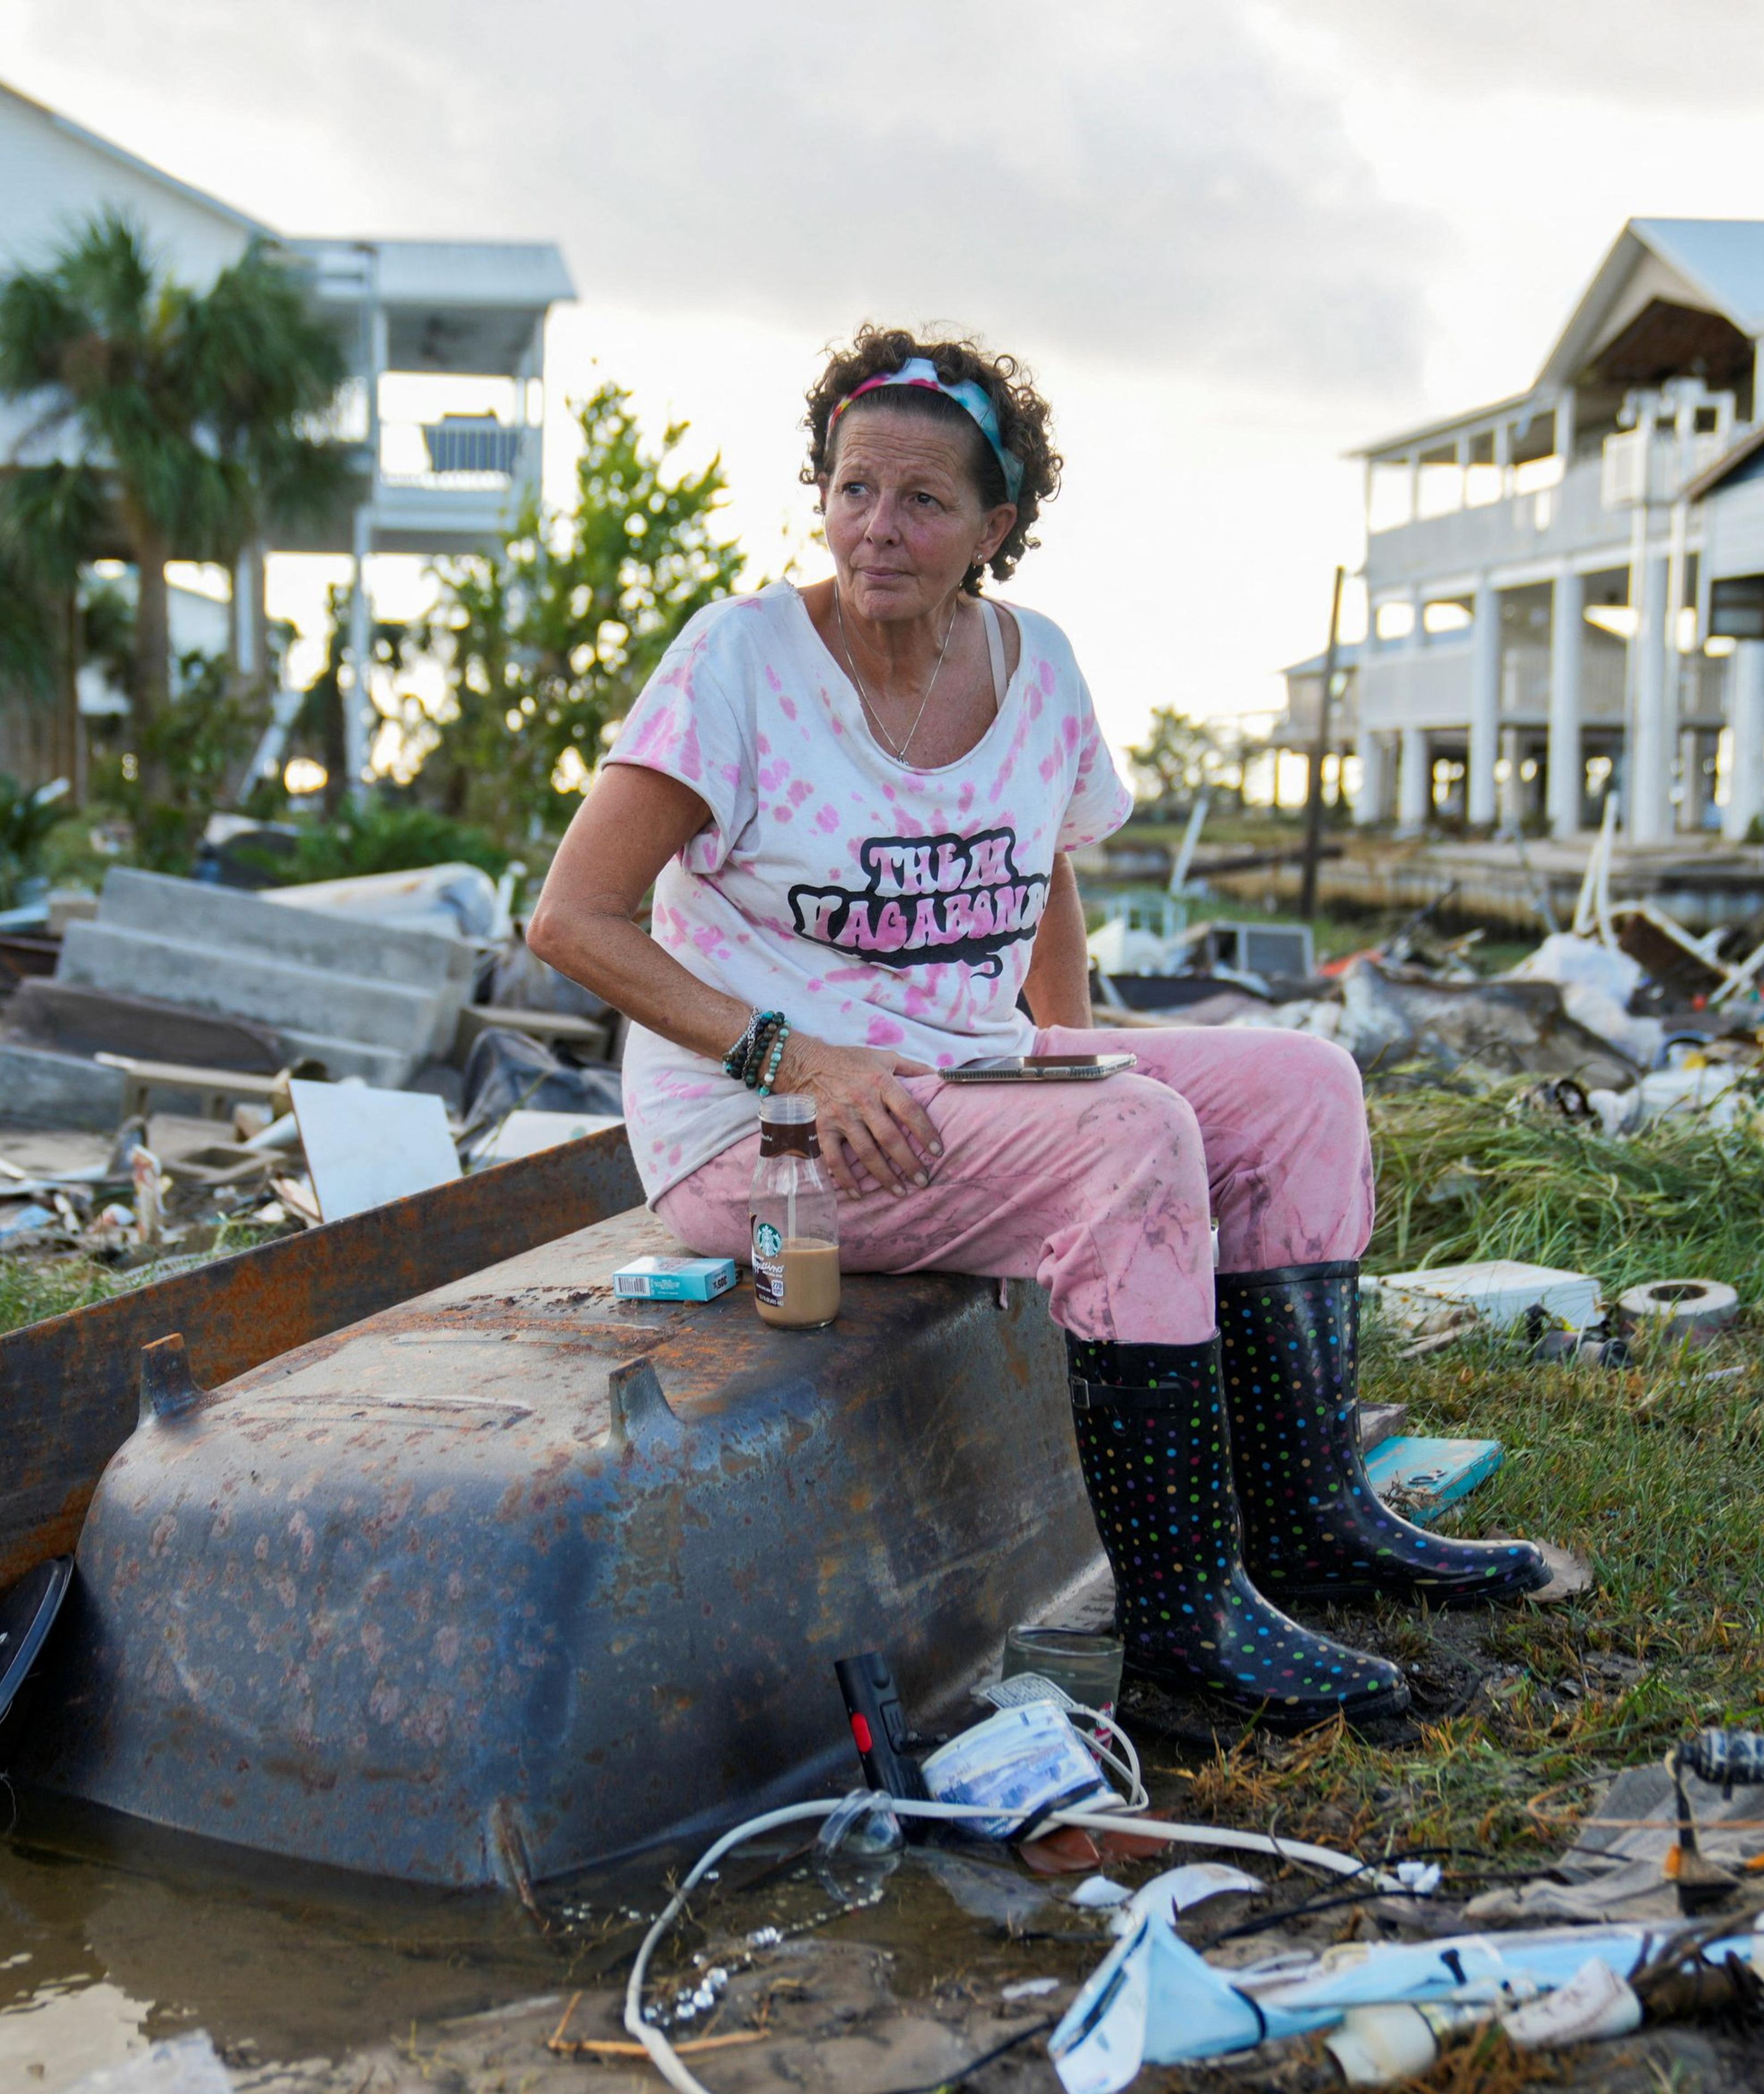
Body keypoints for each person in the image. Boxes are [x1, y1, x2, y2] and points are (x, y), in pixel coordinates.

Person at [527, 325, 1562, 1730]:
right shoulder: (740, 663)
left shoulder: (1038, 664)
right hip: (765, 1128)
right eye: (850, 490)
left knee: (1306, 1081)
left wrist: (1065, 1047)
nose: (875, 530)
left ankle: (1311, 1523)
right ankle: (1186, 1627)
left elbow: (1048, 865)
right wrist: (800, 1060)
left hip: (968, 1073)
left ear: (994, 527)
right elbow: (574, 921)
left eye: (923, 501)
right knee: (1130, 1140)